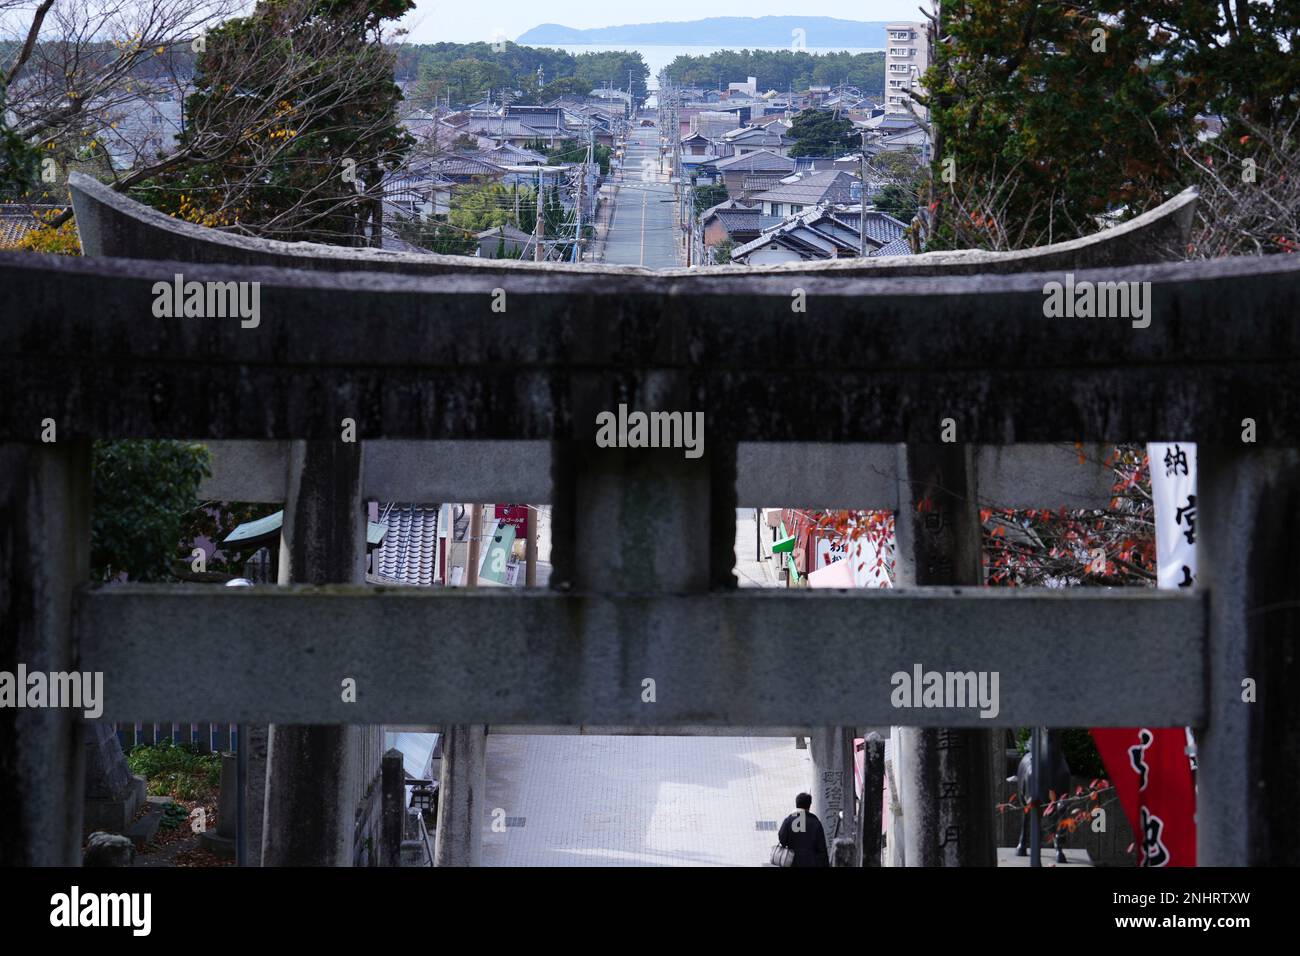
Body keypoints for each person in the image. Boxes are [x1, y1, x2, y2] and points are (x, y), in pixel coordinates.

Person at [777, 792, 830, 867]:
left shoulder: (788, 821)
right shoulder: (816, 823)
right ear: (809, 806)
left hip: (791, 863)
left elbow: (782, 840)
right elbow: (822, 850)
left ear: (796, 804)